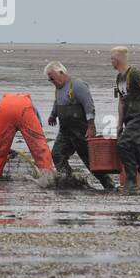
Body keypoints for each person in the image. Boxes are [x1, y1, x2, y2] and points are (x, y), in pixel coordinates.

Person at [45, 61, 115, 190]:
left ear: (62, 72)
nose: (50, 80)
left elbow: (89, 105)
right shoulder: (58, 88)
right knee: (57, 154)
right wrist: (53, 115)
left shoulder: (77, 85)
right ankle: (68, 180)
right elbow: (57, 102)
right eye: (49, 79)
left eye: (52, 77)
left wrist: (91, 126)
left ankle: (109, 185)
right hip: (65, 131)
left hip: (81, 131)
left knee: (91, 162)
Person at [111, 46, 140, 192]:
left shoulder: (134, 73)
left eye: (112, 59)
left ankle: (132, 180)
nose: (111, 62)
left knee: (123, 144)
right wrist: (119, 124)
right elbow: (121, 102)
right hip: (129, 119)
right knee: (137, 148)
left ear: (116, 60)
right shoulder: (119, 78)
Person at [0, 93, 55, 182]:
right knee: (40, 147)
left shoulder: (6, 104)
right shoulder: (32, 108)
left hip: (5, 107)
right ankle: (48, 177)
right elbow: (38, 139)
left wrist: (6, 150)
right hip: (25, 109)